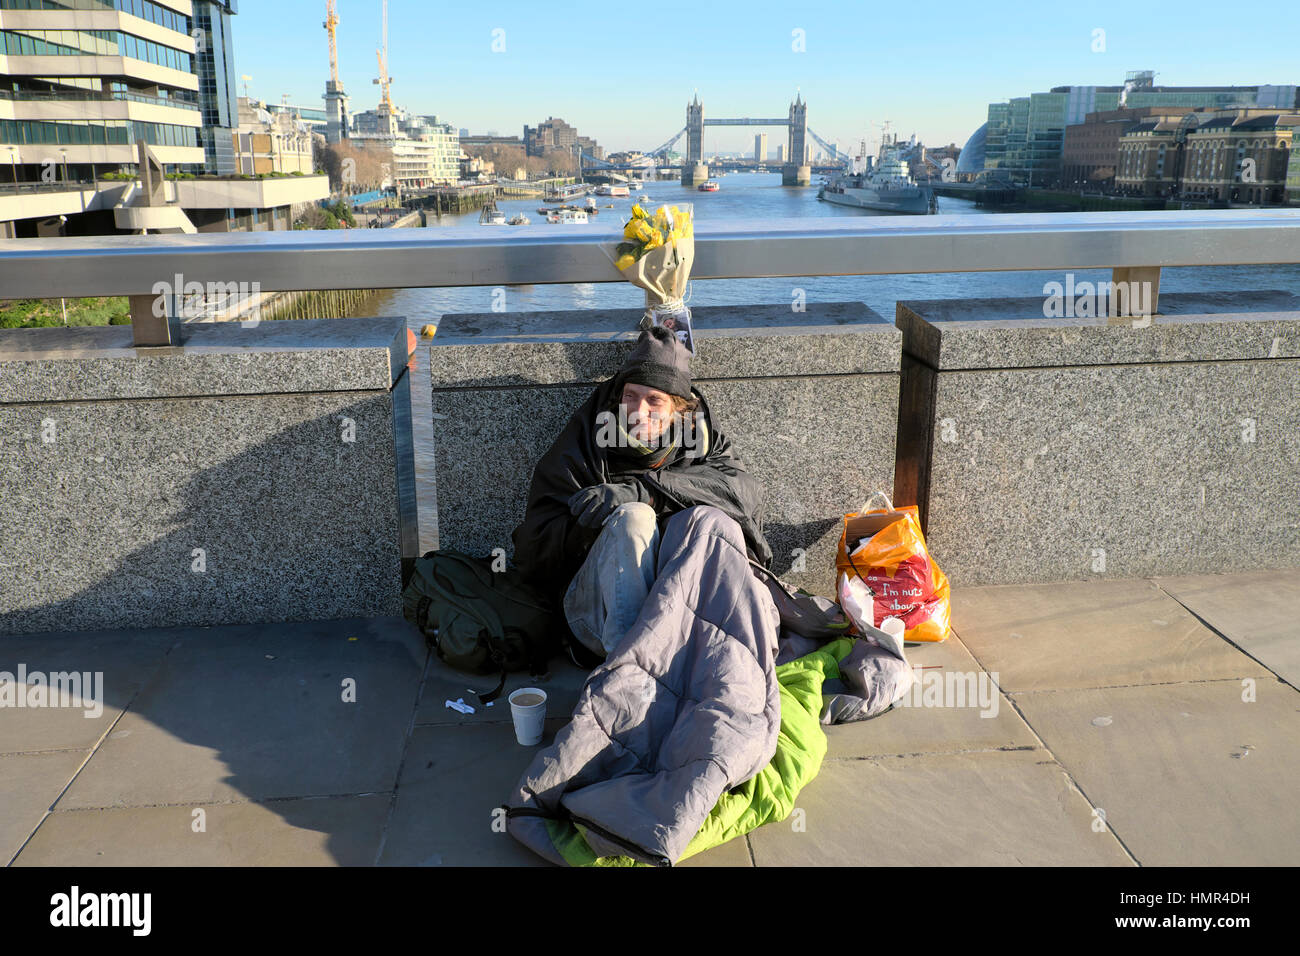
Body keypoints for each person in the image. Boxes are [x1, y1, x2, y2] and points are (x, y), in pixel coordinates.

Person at [511, 326, 772, 663]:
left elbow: (744, 493)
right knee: (634, 517)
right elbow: (532, 552)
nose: (638, 409)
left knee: (709, 518)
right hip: (594, 616)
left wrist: (645, 490)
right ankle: (629, 668)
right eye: (630, 395)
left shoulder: (701, 440)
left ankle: (726, 656)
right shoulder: (587, 444)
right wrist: (593, 526)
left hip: (680, 616)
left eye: (655, 400)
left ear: (679, 408)